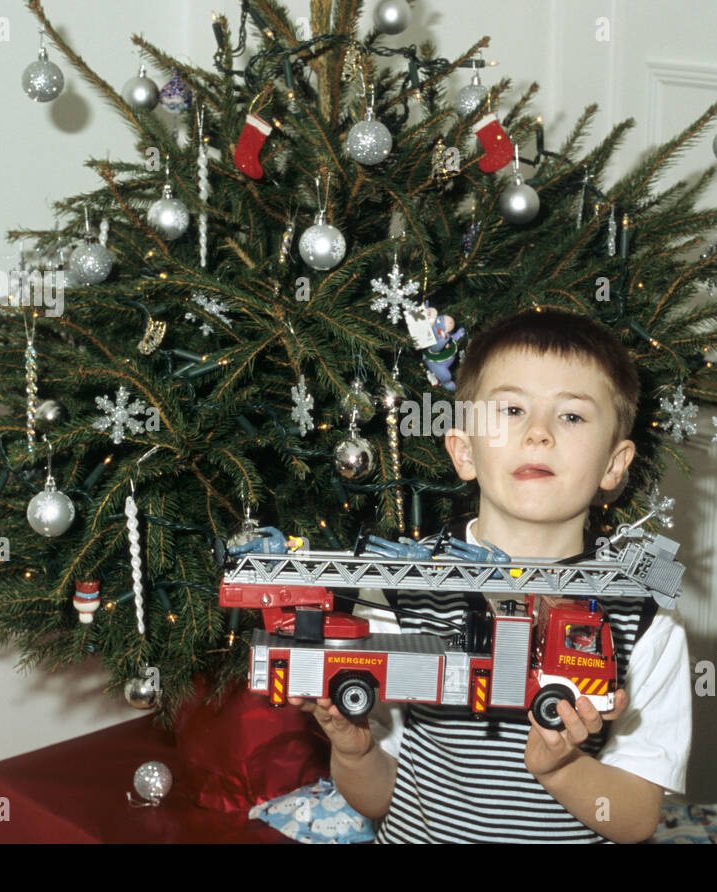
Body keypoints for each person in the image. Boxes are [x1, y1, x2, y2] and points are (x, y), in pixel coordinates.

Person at [290, 309, 691, 843]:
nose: (538, 434)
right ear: (464, 450)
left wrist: (560, 768)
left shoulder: (642, 615)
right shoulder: (400, 590)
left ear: (614, 466)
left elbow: (635, 819)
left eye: (571, 416)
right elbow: (378, 798)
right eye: (511, 409)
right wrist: (354, 750)